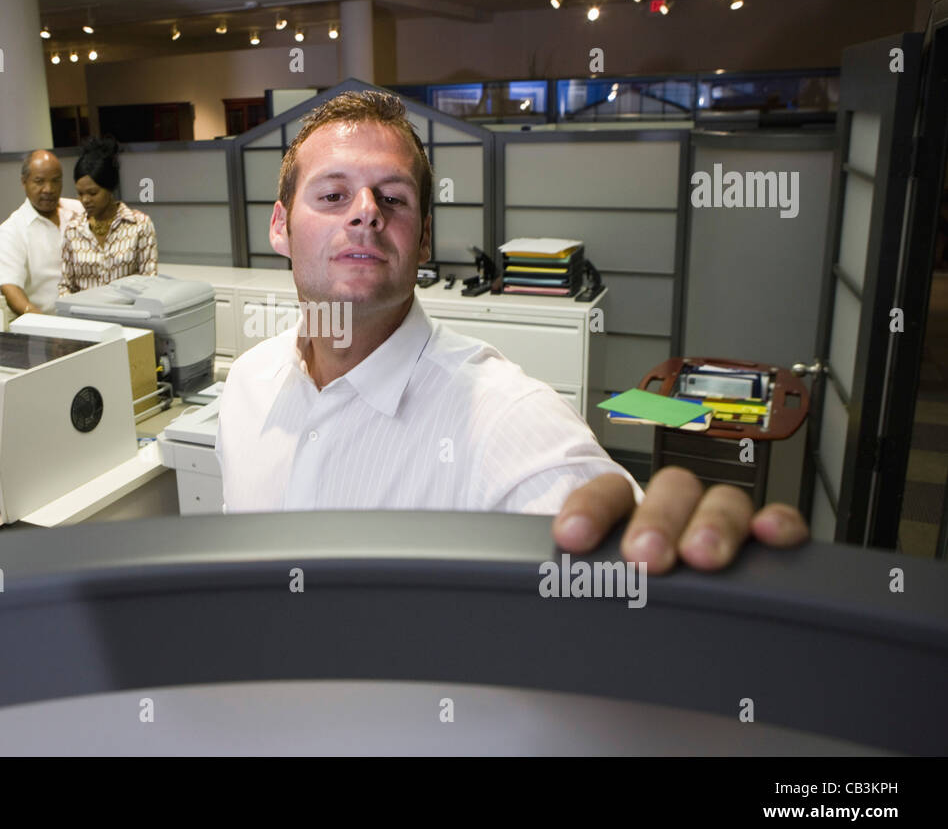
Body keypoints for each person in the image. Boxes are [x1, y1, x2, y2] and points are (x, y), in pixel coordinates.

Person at [215, 90, 809, 573]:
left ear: (422, 239)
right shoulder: (247, 385)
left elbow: (597, 533)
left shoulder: (504, 417)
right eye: (333, 193)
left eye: (393, 198)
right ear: (280, 226)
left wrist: (658, 560)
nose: (366, 210)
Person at [59, 137, 158, 293]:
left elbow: (150, 283)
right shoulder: (73, 229)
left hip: (127, 314)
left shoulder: (139, 225)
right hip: (82, 314)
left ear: (110, 188)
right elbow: (65, 286)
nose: (85, 200)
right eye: (80, 193)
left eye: (93, 193)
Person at [0, 150, 79, 315]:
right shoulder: (12, 230)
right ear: (24, 182)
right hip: (47, 324)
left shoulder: (78, 210)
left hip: (93, 316)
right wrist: (42, 322)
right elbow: (10, 287)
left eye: (56, 181)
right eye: (39, 181)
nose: (49, 189)